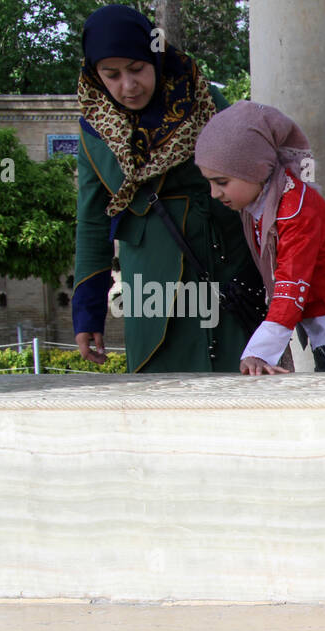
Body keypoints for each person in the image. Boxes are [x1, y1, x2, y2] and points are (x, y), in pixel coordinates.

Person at [71, 4, 265, 372]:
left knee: (236, 393)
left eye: (138, 69)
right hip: (151, 289)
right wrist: (88, 315)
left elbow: (256, 177)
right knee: (160, 400)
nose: (127, 86)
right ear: (95, 75)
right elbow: (93, 223)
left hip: (225, 272)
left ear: (155, 58)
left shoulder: (199, 98)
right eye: (111, 75)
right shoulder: (94, 132)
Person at [194, 101, 325, 374]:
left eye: (222, 182)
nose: (214, 193)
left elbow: (290, 282)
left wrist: (260, 353)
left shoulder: (296, 211)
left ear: (256, 169)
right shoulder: (264, 203)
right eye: (209, 182)